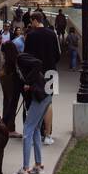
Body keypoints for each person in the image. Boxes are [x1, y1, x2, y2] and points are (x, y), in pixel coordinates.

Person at [11, 50, 52, 174]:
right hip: (43, 97)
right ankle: (38, 166)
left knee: (27, 131)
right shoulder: (17, 67)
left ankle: (25, 169)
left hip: (40, 97)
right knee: (34, 130)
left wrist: (28, 82)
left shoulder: (21, 58)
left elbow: (38, 64)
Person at [24, 11, 59, 145]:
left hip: (37, 74)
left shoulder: (31, 36)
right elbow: (57, 55)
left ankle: (36, 133)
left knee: (37, 102)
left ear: (34, 20)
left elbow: (27, 57)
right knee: (49, 103)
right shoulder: (52, 34)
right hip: (51, 71)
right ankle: (48, 134)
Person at [0, 39, 21, 137]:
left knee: (7, 104)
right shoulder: (16, 61)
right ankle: (10, 129)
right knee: (12, 105)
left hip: (7, 85)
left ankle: (5, 126)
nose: (2, 55)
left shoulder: (7, 64)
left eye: (3, 53)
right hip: (13, 85)